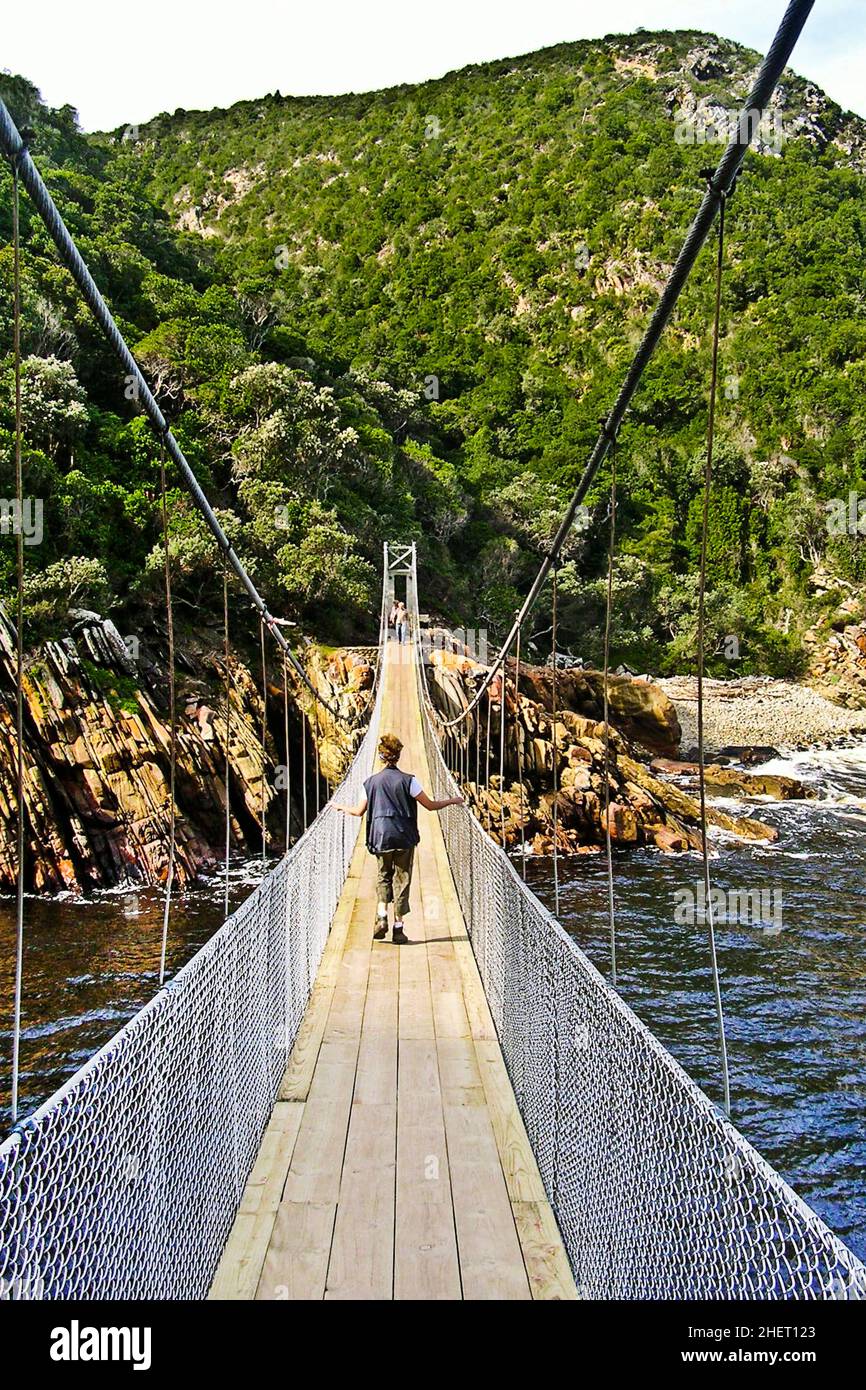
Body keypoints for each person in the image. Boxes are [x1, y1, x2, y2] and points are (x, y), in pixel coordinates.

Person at [334, 732, 463, 943]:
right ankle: (399, 928)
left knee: (383, 875)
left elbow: (359, 812)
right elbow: (430, 806)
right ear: (398, 756)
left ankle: (382, 916)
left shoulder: (369, 783)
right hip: (404, 837)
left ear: (381, 757)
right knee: (402, 879)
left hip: (380, 837)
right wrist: (452, 800)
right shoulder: (409, 781)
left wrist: (341, 807)